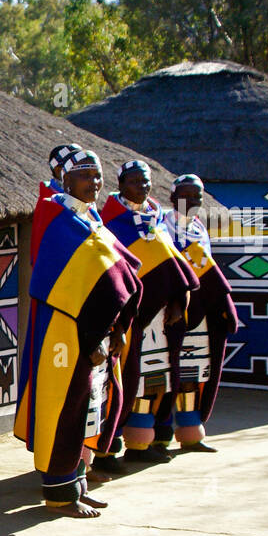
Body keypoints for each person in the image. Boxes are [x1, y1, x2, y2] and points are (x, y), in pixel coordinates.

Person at [15, 149, 141, 518]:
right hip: (63, 328)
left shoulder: (90, 217)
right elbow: (68, 282)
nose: (95, 183)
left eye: (98, 176)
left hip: (92, 330)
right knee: (63, 406)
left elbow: (121, 271)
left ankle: (77, 485)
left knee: (87, 405)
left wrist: (116, 326)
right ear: (65, 179)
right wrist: (90, 337)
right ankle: (59, 495)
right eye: (86, 175)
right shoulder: (54, 215)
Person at [99, 161, 200, 464]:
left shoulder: (155, 220)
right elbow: (114, 271)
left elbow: (173, 264)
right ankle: (107, 448)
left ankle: (142, 443)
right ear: (120, 184)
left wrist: (179, 299)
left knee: (153, 379)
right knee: (119, 382)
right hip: (126, 317)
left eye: (145, 182)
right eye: (133, 181)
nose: (141, 187)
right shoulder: (112, 221)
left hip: (158, 319)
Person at [157, 174, 239, 452]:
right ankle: (159, 437)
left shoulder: (200, 229)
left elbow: (207, 270)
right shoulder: (160, 225)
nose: (191, 201)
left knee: (191, 374)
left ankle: (190, 434)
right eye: (185, 195)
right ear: (172, 196)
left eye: (197, 196)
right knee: (164, 374)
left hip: (198, 314)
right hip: (167, 313)